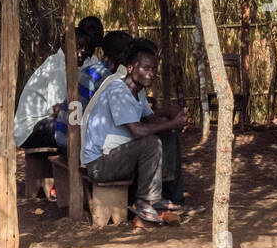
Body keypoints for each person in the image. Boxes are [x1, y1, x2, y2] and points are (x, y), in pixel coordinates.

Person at [81, 37, 193, 225]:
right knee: (151, 143)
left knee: (169, 136)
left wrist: (173, 118)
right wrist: (171, 123)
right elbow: (137, 130)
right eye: (146, 68)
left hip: (117, 155)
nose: (151, 74)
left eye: (154, 69)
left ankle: (173, 199)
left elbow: (150, 119)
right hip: (100, 164)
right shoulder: (118, 90)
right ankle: (145, 201)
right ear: (131, 67)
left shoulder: (138, 90)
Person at [14, 16, 104, 150]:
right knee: (78, 128)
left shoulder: (83, 61)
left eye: (88, 47)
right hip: (31, 129)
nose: (84, 52)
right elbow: (59, 110)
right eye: (78, 46)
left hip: (51, 121)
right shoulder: (57, 67)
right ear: (65, 45)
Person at [54, 29, 132, 151]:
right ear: (119, 55)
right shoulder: (107, 79)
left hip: (63, 137)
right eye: (129, 54)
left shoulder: (92, 70)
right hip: (73, 144)